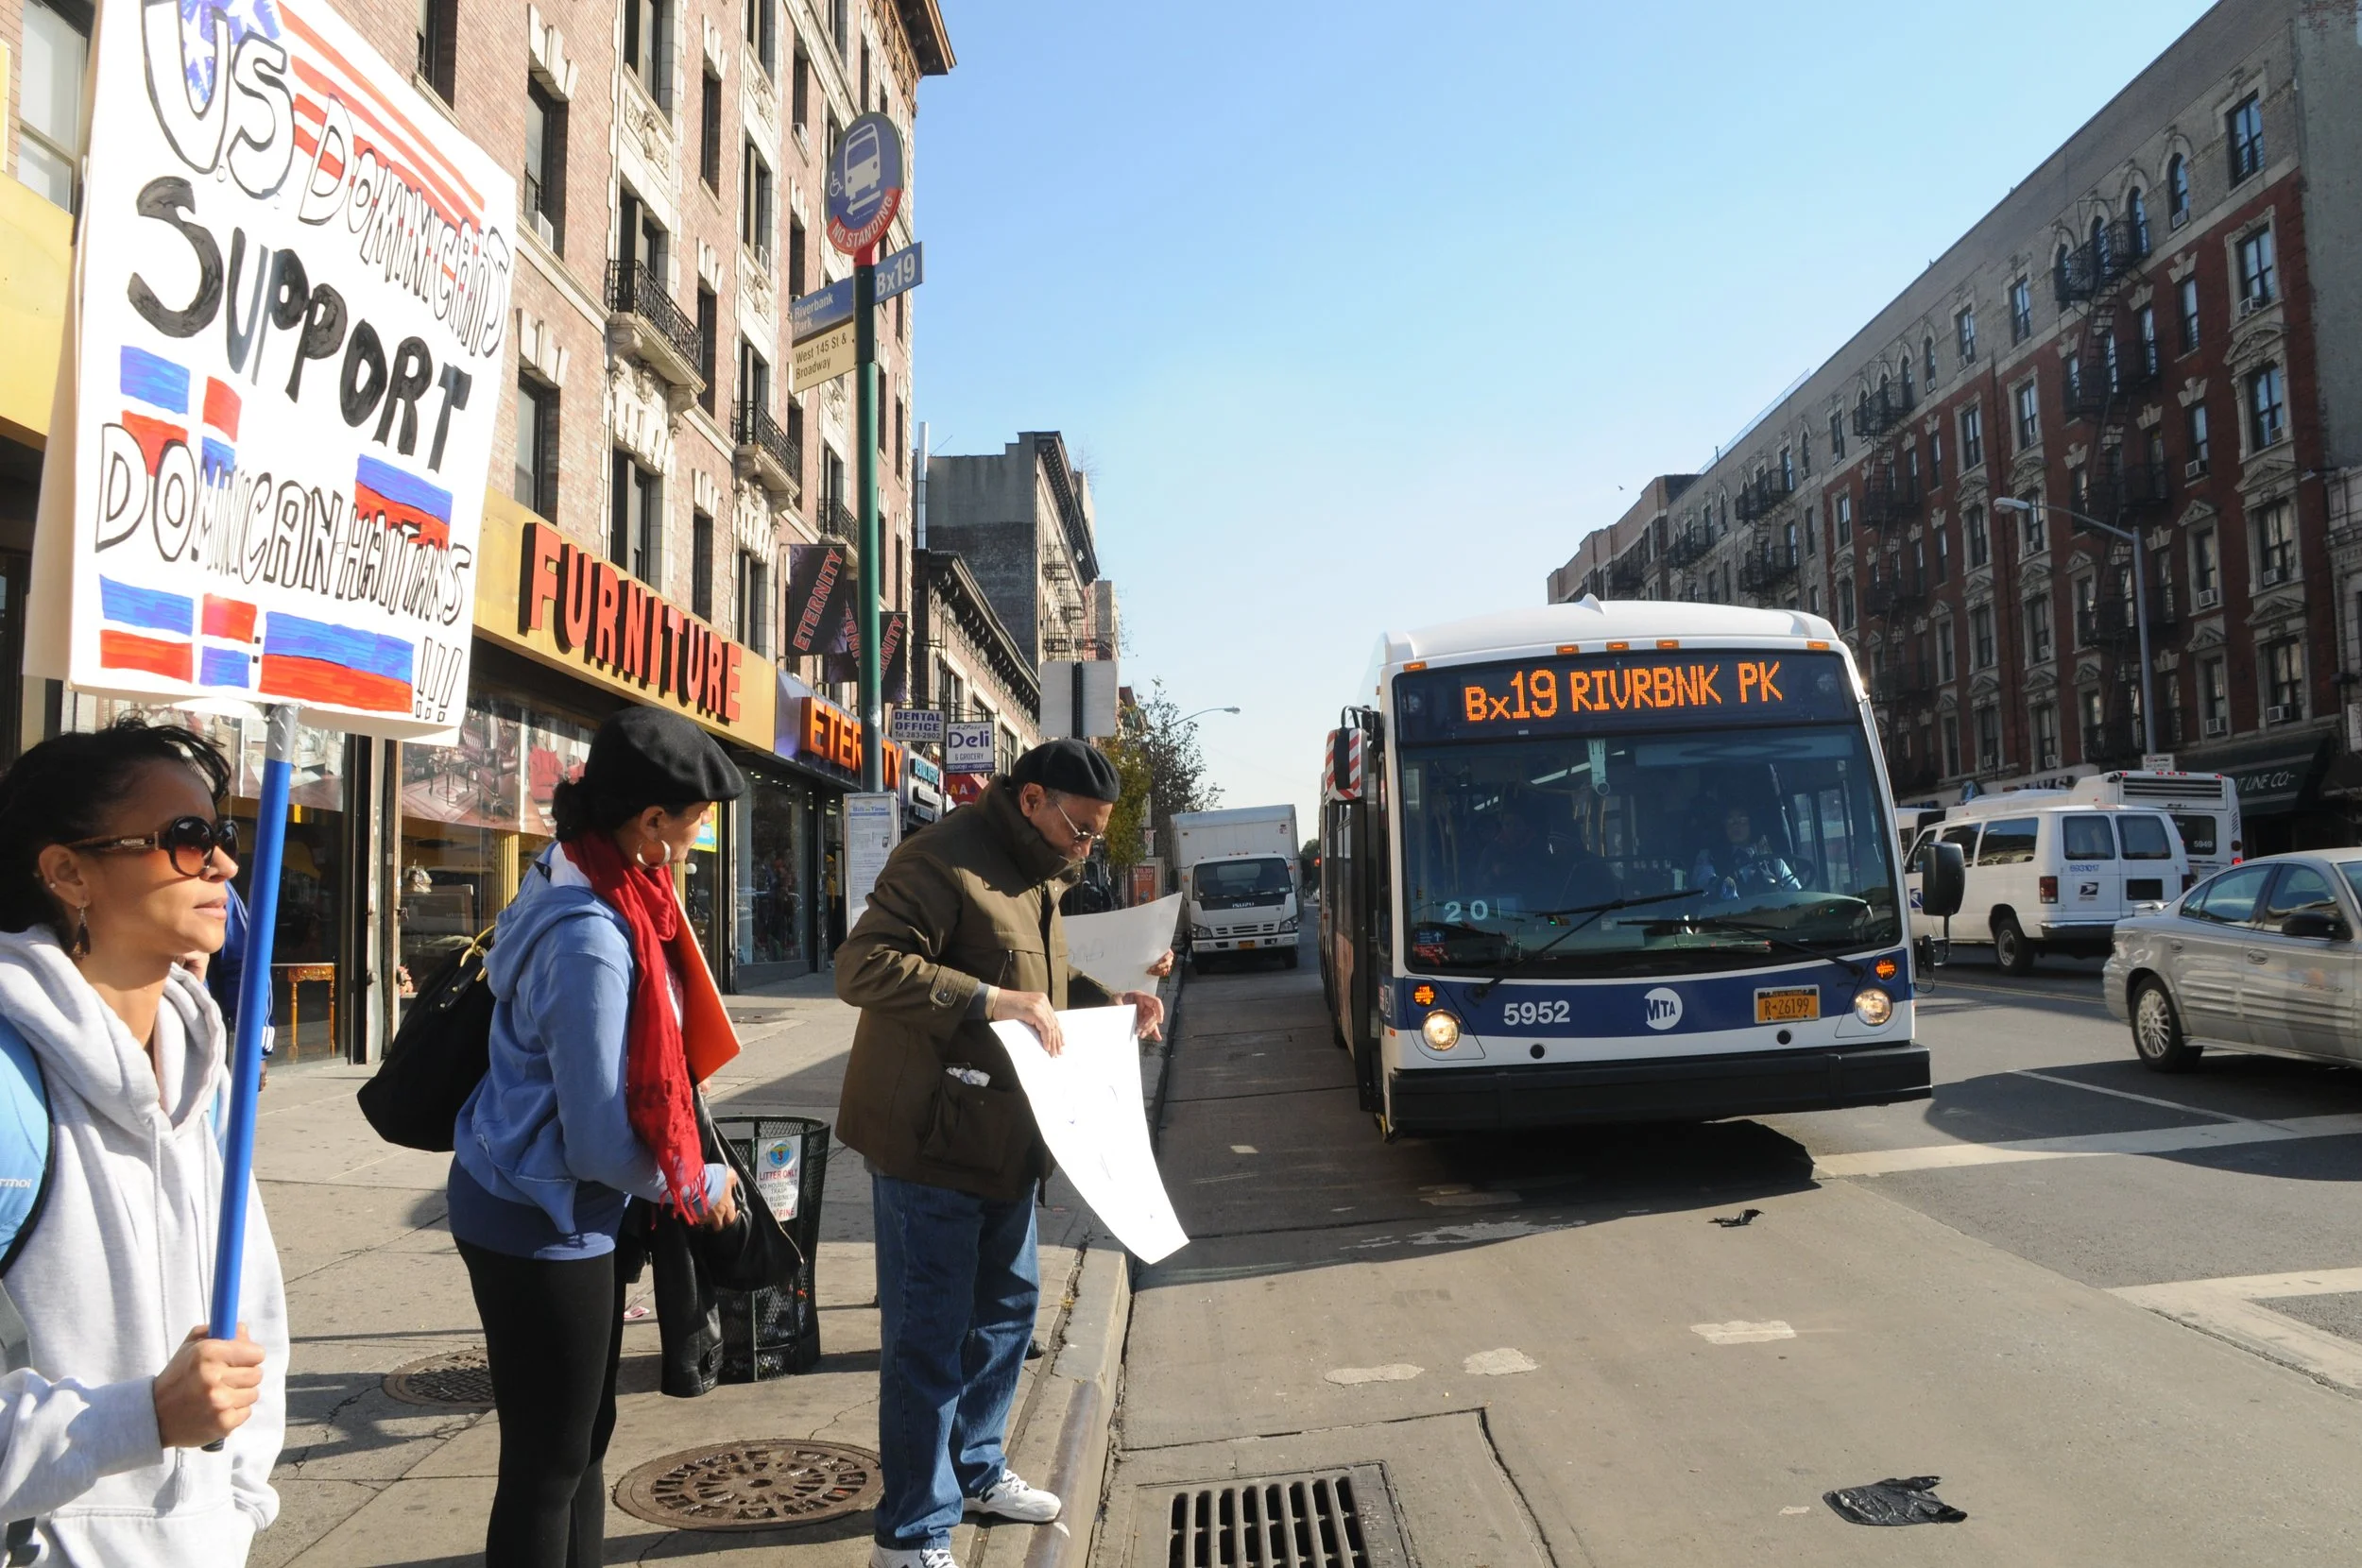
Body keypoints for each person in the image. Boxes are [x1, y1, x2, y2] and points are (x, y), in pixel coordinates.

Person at [836, 740, 1168, 1568]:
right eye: (1082, 829)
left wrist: (1115, 1005)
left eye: (1095, 833)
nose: (1089, 846)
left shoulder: (1037, 873)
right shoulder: (942, 859)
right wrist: (987, 1000)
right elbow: (863, 965)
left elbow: (1042, 990)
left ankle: (976, 1469)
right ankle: (910, 1537)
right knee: (930, 1341)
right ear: (1032, 801)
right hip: (928, 1146)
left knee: (1007, 1318)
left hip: (1005, 1145)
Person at [448, 707, 745, 1568]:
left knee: (581, 1443)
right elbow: (596, 1142)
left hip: (537, 1199)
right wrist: (696, 1189)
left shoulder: (578, 870)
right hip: (543, 1215)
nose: (695, 841)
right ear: (650, 821)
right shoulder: (591, 938)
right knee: (548, 1465)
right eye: (691, 823)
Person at [0, 718, 288, 1563]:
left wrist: (236, 1503)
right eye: (186, 839)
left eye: (223, 837)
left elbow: (254, 1308)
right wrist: (140, 1418)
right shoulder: (12, 1078)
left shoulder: (202, 1068)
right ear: (68, 872)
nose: (225, 867)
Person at [1689, 804, 1804, 901]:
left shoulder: (1774, 862)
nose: (1736, 825)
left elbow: (1797, 896)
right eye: (1730, 821)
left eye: (1742, 820)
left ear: (1752, 824)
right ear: (1723, 826)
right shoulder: (1710, 857)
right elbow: (1704, 880)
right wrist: (1721, 884)